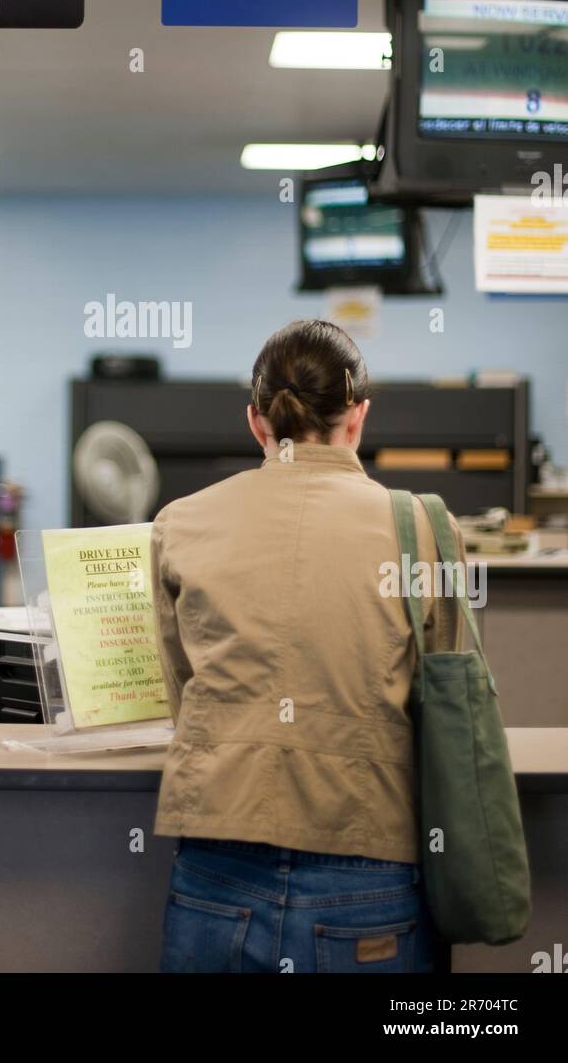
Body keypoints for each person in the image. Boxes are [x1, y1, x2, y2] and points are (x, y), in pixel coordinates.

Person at [150, 319, 467, 974]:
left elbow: (183, 698)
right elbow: (445, 712)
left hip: (216, 862)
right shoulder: (425, 528)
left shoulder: (179, 523)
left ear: (256, 423)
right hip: (370, 863)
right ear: (358, 417)